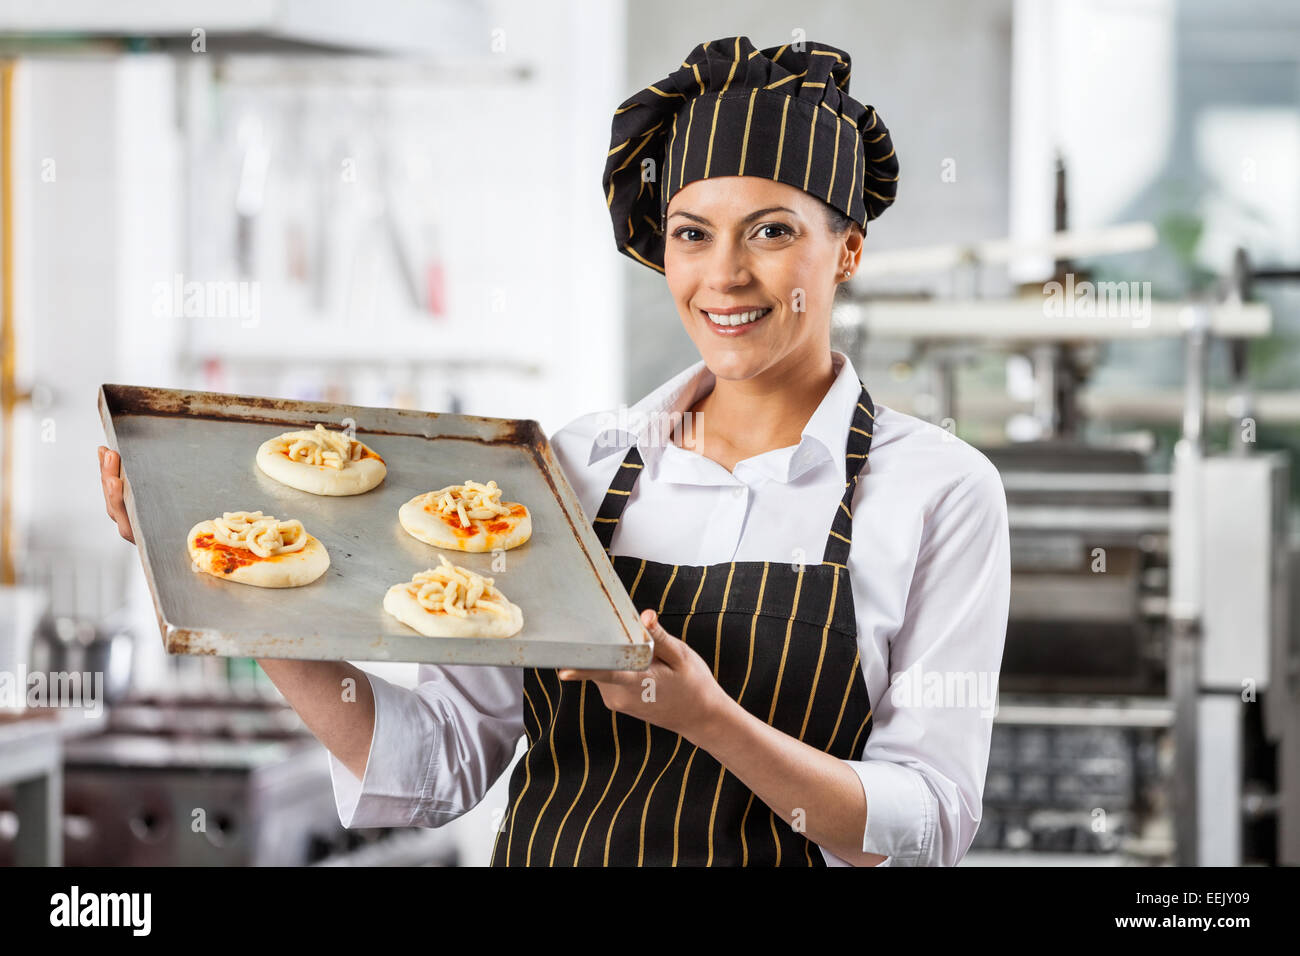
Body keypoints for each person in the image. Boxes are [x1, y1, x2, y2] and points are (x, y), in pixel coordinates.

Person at [99, 35, 1009, 866]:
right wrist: (241, 592)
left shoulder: (938, 490)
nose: (724, 275)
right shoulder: (576, 466)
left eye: (771, 231)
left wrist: (710, 722)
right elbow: (442, 764)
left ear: (846, 251)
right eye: (692, 234)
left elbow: (927, 823)